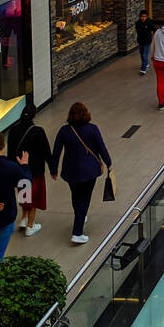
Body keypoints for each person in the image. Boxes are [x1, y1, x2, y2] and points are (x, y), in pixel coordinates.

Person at [49, 102, 112, 245]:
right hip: (89, 170)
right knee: (85, 198)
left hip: (70, 171)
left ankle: (80, 216)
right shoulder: (92, 129)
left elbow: (57, 151)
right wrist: (108, 162)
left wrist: (53, 169)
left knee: (76, 195)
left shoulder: (64, 131)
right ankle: (77, 232)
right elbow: (101, 147)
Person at [9, 101, 50, 236]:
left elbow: (10, 153)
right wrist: (53, 168)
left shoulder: (13, 130)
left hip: (19, 169)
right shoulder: (38, 131)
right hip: (35, 171)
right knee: (34, 198)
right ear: (34, 116)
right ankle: (30, 226)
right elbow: (46, 152)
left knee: (24, 194)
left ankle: (24, 218)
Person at [134, 10, 156, 76]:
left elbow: (154, 29)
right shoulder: (138, 23)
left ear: (147, 17)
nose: (143, 18)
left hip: (147, 41)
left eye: (145, 16)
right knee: (141, 54)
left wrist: (152, 34)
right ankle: (146, 63)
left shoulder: (149, 22)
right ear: (140, 17)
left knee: (145, 55)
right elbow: (138, 31)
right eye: (142, 16)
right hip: (140, 41)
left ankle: (143, 70)